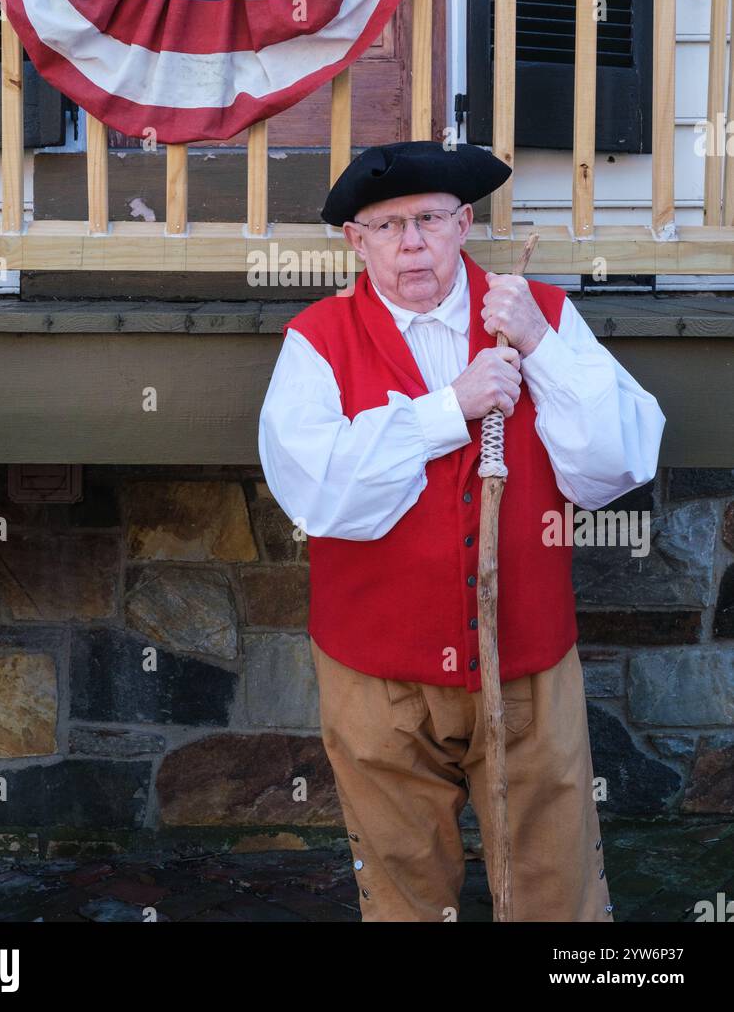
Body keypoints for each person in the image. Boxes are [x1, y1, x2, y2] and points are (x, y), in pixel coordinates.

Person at [257, 140, 665, 922]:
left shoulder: (539, 315)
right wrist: (452, 409)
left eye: (430, 220)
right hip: (377, 675)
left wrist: (541, 347)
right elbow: (319, 494)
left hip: (528, 666)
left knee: (557, 885)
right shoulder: (318, 339)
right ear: (355, 240)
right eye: (386, 226)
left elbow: (617, 463)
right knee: (404, 890)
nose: (411, 242)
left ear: (464, 223)